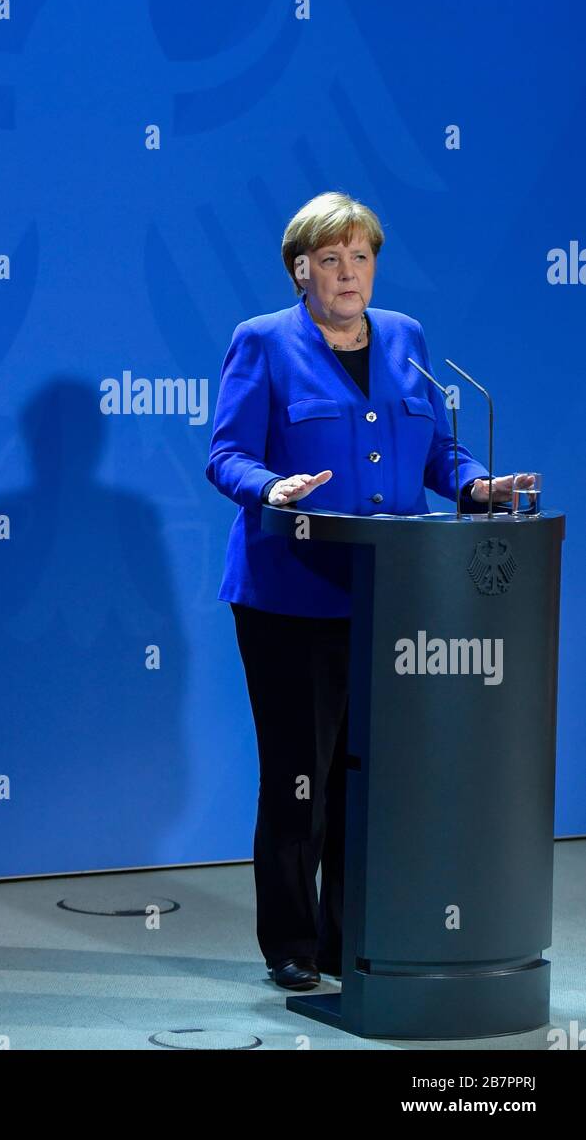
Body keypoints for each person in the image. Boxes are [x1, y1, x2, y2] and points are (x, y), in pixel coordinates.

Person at [205, 191, 531, 991]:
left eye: (359, 257)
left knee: (370, 777)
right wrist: (273, 487)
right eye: (328, 260)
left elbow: (438, 455)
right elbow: (226, 455)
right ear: (299, 271)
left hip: (396, 595)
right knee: (298, 777)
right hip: (290, 595)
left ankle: (349, 937)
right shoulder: (263, 344)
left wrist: (477, 487)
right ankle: (290, 944)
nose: (347, 274)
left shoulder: (407, 340)